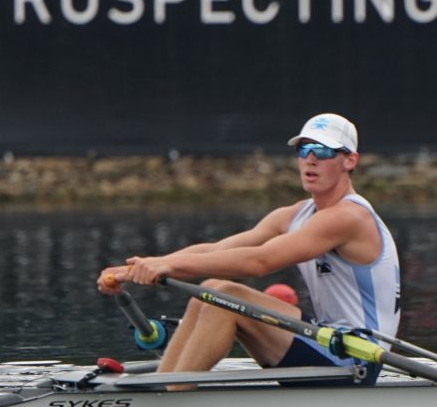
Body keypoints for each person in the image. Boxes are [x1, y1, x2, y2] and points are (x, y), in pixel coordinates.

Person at [97, 113, 402, 383]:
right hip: (327, 338)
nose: (310, 159)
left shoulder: (349, 217)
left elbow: (260, 262)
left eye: (322, 151)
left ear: (350, 160)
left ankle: (173, 399)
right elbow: (217, 250)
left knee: (225, 295)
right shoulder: (294, 215)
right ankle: (166, 384)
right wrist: (139, 267)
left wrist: (170, 267)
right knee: (210, 290)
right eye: (303, 150)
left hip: (357, 356)